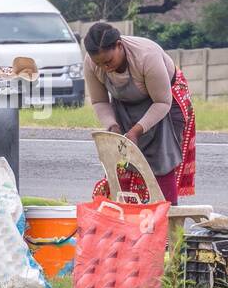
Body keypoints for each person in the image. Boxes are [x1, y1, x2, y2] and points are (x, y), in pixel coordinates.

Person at [83, 22, 195, 205]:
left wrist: (135, 131)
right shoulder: (92, 63)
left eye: (109, 61)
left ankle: (166, 220)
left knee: (161, 158)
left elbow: (162, 102)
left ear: (119, 45)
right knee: (123, 159)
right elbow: (100, 101)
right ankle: (132, 218)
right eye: (99, 64)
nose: (105, 68)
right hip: (125, 103)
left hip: (165, 101)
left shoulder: (146, 56)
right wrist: (113, 126)